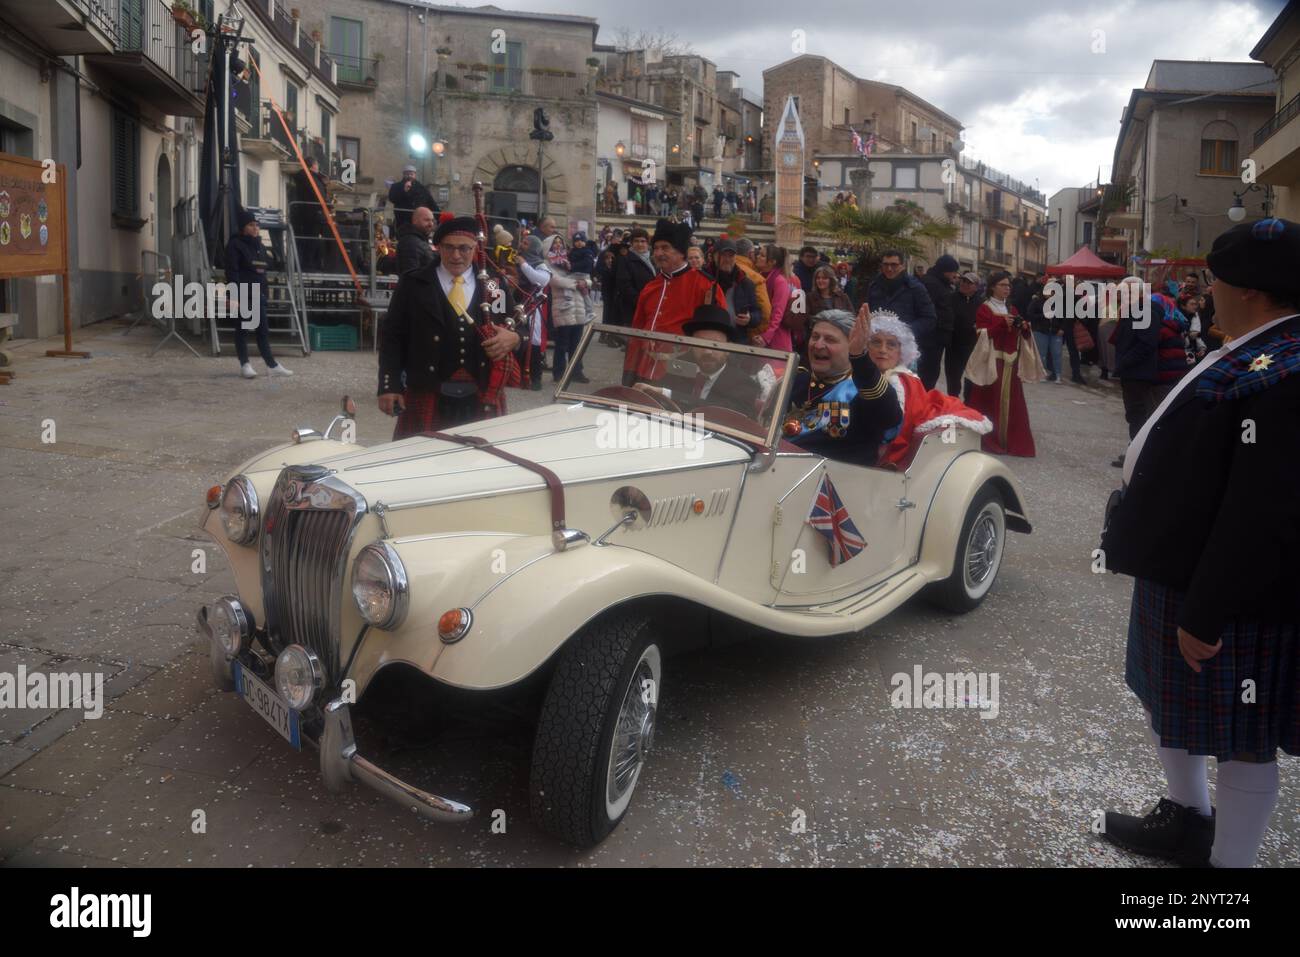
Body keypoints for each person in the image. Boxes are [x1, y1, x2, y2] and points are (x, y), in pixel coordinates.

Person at [1098, 217, 1300, 869]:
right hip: (1182, 571)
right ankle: (1187, 817)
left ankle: (1229, 868)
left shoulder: (1282, 373)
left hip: (1231, 597)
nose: (1206, 289)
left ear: (1251, 290)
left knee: (1245, 741)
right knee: (1166, 703)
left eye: (1216, 278)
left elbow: (1262, 509)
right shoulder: (1254, 344)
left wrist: (1206, 608)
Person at [378, 215, 520, 438]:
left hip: (482, 391)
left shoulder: (493, 285)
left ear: (475, 248)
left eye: (464, 248)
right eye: (449, 247)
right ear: (438, 247)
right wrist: (389, 386)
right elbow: (392, 337)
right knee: (420, 463)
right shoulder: (414, 283)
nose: (456, 255)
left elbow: (517, 323)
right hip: (426, 388)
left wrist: (514, 338)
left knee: (480, 465)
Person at [865, 311, 991, 469]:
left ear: (901, 352)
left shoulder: (904, 381)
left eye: (891, 344)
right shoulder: (853, 375)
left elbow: (903, 428)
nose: (883, 350)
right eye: (876, 342)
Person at [781, 307, 901, 466]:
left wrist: (859, 357)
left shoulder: (863, 390)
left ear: (851, 346)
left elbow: (888, 418)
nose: (818, 345)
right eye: (815, 336)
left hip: (836, 482)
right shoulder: (795, 380)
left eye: (830, 339)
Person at [624, 218, 725, 384]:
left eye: (665, 248)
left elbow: (715, 337)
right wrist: (629, 370)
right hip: (644, 368)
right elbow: (637, 331)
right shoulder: (651, 287)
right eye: (655, 248)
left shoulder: (706, 286)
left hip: (681, 374)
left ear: (680, 252)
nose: (658, 253)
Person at [964, 269, 1043, 456]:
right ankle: (991, 440)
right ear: (993, 287)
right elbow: (981, 334)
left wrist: (1023, 328)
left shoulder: (1012, 309)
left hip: (1011, 362)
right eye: (1003, 285)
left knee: (1014, 404)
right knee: (989, 401)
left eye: (1009, 285)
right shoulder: (985, 308)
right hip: (993, 362)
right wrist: (1001, 324)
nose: (1007, 288)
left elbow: (1019, 335)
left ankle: (1012, 443)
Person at [633, 305, 762, 414]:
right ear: (691, 346)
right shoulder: (680, 368)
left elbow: (722, 412)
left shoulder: (744, 383)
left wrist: (667, 394)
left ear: (728, 349)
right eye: (700, 344)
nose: (707, 351)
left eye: (715, 345)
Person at [225, 209, 292, 379]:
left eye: (256, 225)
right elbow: (232, 271)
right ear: (243, 227)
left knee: (263, 330)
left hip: (258, 294)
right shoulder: (235, 245)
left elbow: (262, 271)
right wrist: (233, 296)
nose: (255, 228)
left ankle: (272, 365)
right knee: (243, 329)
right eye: (251, 225)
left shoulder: (260, 246)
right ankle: (245, 364)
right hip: (242, 293)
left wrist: (264, 292)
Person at [865, 249, 938, 354]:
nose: (889, 269)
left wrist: (904, 331)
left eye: (894, 265)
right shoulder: (874, 287)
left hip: (904, 348)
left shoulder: (915, 288)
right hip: (877, 346)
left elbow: (929, 318)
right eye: (885, 265)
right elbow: (868, 313)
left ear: (902, 266)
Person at [543, 233, 591, 384]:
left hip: (578, 306)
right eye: (555, 243)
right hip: (563, 307)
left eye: (560, 243)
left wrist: (586, 283)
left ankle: (576, 372)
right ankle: (559, 373)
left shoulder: (569, 259)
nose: (558, 245)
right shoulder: (548, 263)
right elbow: (556, 281)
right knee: (562, 343)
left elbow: (587, 277)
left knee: (576, 343)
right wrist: (578, 283)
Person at [919, 254, 960, 389]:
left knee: (930, 373)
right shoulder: (932, 284)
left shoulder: (940, 283)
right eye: (953, 271)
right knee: (927, 374)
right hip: (931, 338)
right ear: (945, 270)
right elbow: (929, 310)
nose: (954, 275)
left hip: (936, 337)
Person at [517, 235, 551, 390]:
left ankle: (535, 378)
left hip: (533, 306)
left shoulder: (540, 265)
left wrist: (524, 265)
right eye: (522, 242)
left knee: (533, 340)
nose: (521, 245)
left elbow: (541, 281)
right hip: (515, 305)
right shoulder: (514, 260)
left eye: (525, 243)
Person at [709, 239, 759, 343]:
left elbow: (757, 313)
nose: (727, 259)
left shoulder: (745, 282)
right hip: (708, 339)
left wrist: (750, 318)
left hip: (736, 341)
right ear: (714, 256)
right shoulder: (704, 279)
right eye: (723, 255)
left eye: (731, 255)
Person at [755, 244, 796, 354]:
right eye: (759, 254)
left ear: (772, 262)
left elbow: (778, 312)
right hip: (759, 334)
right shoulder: (759, 276)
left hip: (776, 339)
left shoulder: (780, 281)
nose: (758, 256)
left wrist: (766, 336)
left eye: (762, 255)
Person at [947, 271, 983, 398]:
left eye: (969, 283)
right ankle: (953, 403)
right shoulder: (951, 298)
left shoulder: (981, 302)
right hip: (954, 346)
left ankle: (969, 403)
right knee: (953, 380)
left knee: (971, 378)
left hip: (972, 347)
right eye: (963, 281)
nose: (965, 284)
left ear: (976, 286)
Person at [614, 227, 655, 330]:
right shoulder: (625, 259)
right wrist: (641, 301)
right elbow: (624, 285)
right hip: (633, 308)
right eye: (636, 241)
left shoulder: (653, 260)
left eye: (643, 241)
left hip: (651, 307)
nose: (640, 244)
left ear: (647, 243)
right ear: (631, 243)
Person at [292, 156, 327, 271]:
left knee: (310, 241)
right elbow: (318, 195)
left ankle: (312, 263)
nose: (318, 167)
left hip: (311, 214)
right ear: (313, 165)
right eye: (317, 165)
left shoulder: (309, 177)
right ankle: (308, 264)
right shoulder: (309, 178)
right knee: (310, 241)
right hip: (311, 214)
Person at [732, 238, 773, 336]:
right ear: (751, 254)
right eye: (757, 254)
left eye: (762, 255)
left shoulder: (723, 268)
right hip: (744, 335)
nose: (758, 256)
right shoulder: (755, 277)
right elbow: (765, 313)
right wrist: (755, 336)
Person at [395, 205, 435, 275]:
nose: (431, 224)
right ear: (415, 221)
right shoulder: (410, 243)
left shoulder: (420, 240)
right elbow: (410, 274)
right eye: (427, 220)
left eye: (432, 220)